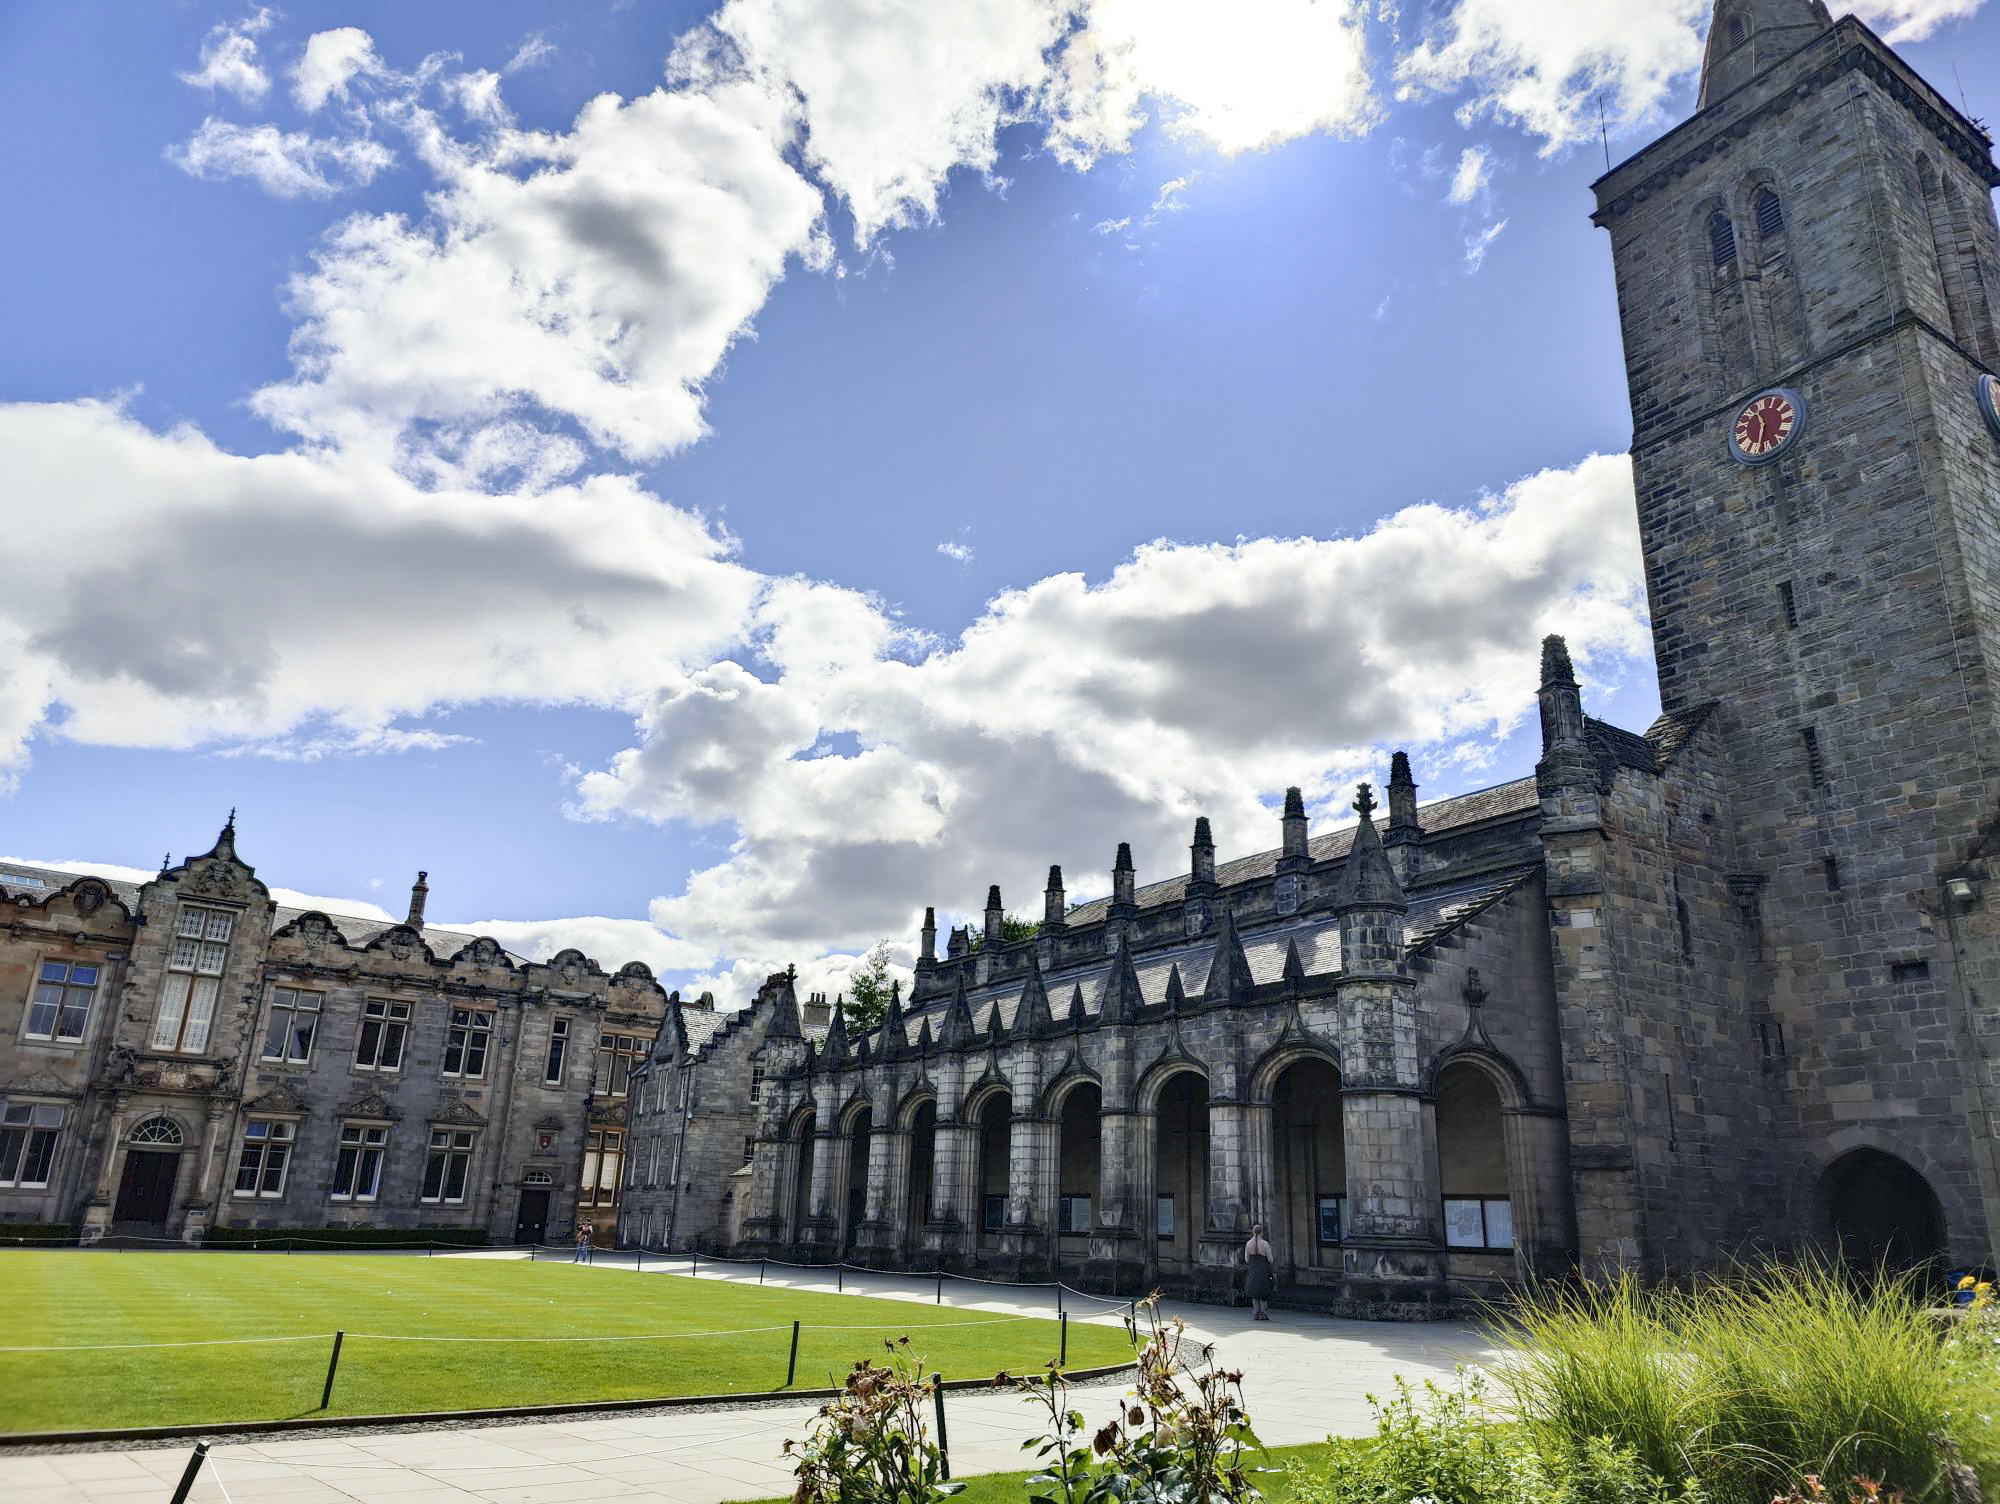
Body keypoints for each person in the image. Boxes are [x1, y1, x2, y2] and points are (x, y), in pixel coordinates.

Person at [1244, 1224, 1275, 1321]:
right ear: (1261, 1232)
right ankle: (1263, 1313)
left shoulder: (1248, 1243)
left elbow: (1246, 1259)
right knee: (1263, 1291)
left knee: (1254, 1291)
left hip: (1253, 1269)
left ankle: (1256, 1313)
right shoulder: (1265, 1244)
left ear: (1253, 1231)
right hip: (1263, 1270)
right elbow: (1270, 1259)